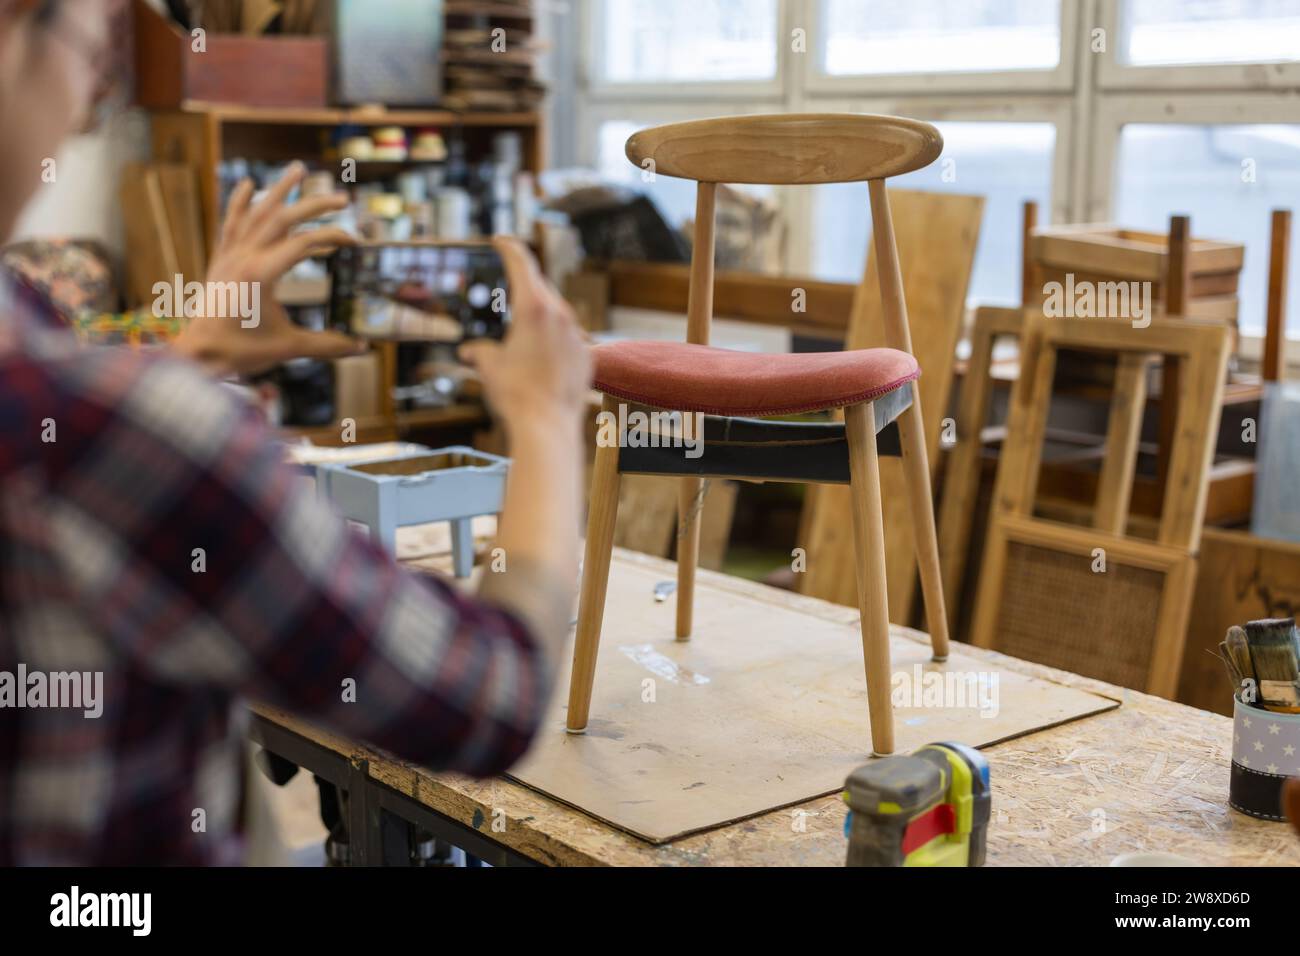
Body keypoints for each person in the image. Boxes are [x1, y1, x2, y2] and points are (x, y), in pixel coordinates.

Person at [0, 0, 591, 864]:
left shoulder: (88, 400)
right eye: (97, 55)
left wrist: (191, 353)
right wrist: (546, 419)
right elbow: (489, 696)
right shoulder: (127, 432)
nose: (91, 106)